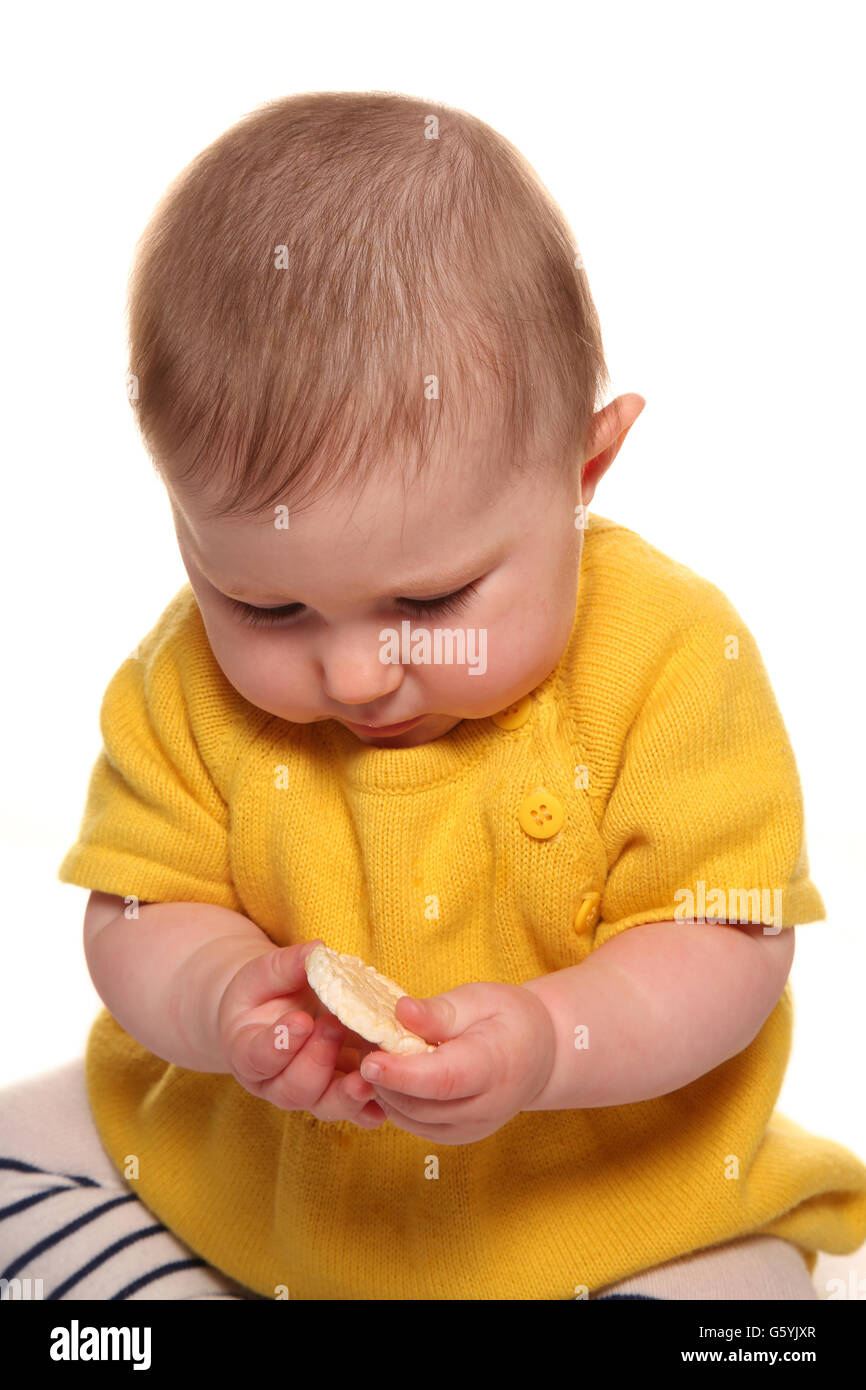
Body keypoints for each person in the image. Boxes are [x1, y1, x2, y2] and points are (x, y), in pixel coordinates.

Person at [3, 90, 865, 1302]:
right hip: (251, 1184)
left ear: (584, 468)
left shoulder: (670, 658)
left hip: (612, 1200)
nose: (353, 674)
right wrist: (219, 999)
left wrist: (543, 1041)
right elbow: (138, 907)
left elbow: (725, 942)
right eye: (268, 607)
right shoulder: (180, 679)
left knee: (747, 1305)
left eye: (430, 600)